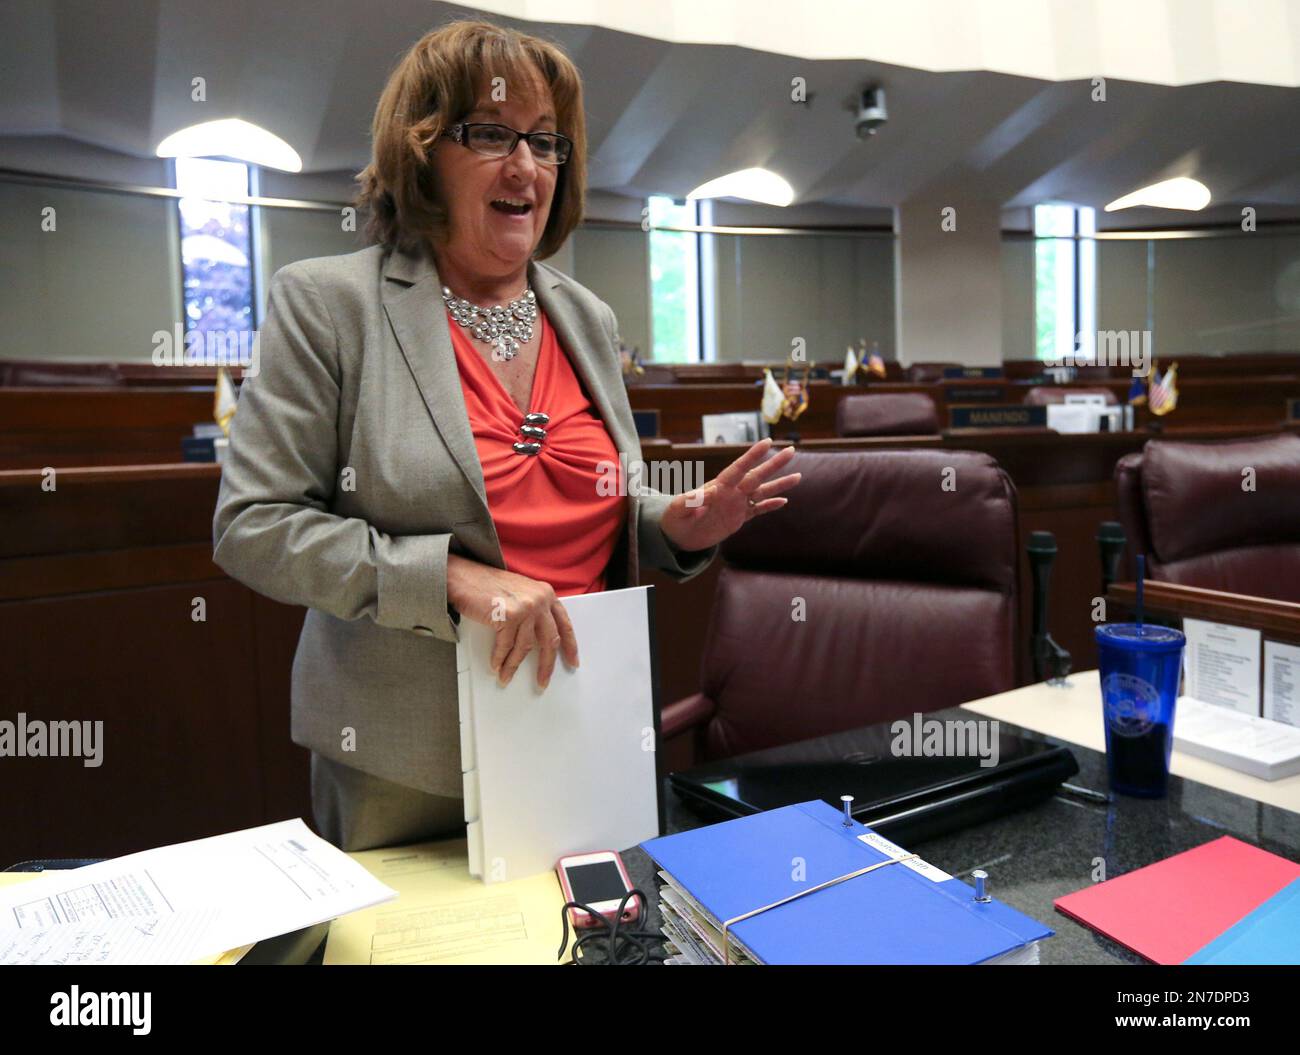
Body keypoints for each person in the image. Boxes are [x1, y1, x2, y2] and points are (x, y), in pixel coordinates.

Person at [212, 19, 800, 852]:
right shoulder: (328, 304)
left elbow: (591, 502)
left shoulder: (586, 317)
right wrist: (452, 578)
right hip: (406, 760)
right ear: (423, 152)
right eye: (490, 133)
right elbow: (253, 527)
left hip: (582, 724)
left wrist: (669, 525)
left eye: (546, 141)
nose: (526, 164)